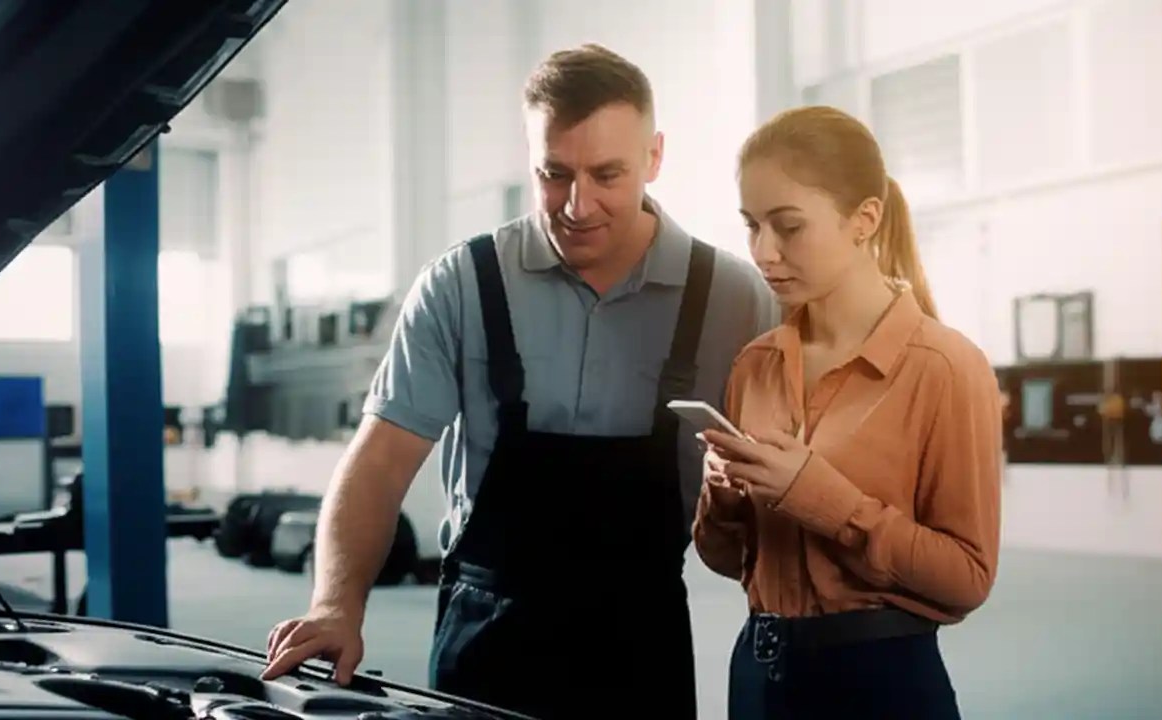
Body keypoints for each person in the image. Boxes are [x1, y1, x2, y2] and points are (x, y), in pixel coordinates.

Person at [261, 43, 780, 719]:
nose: (579, 205)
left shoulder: (734, 299)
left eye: (608, 174)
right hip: (488, 638)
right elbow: (381, 462)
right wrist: (335, 605)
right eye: (554, 174)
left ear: (655, 157)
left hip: (640, 641)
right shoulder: (462, 285)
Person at [693, 105, 1003, 719]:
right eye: (751, 226)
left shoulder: (944, 367)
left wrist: (824, 500)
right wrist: (722, 495)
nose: (763, 252)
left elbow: (967, 578)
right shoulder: (755, 364)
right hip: (757, 674)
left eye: (789, 227)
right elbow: (725, 559)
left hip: (879, 683)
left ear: (865, 220)